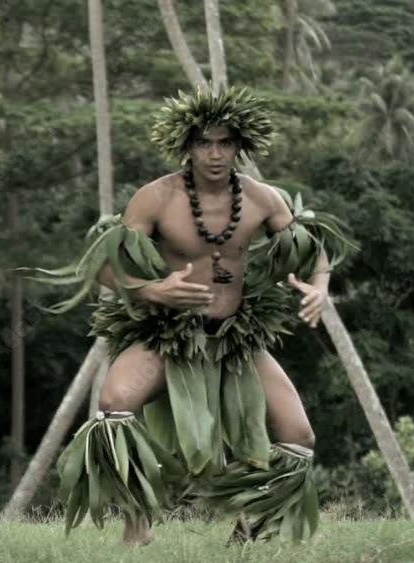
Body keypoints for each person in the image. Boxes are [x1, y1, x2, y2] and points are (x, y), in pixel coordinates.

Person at [29, 87, 355, 545]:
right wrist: (153, 289)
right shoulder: (155, 198)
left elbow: (313, 248)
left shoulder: (263, 199)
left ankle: (246, 539)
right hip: (170, 335)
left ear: (240, 146)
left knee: (298, 436)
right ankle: (136, 530)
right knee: (113, 405)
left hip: (234, 338)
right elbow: (105, 267)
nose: (216, 154)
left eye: (225, 143)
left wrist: (319, 289)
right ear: (188, 146)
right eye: (205, 143)